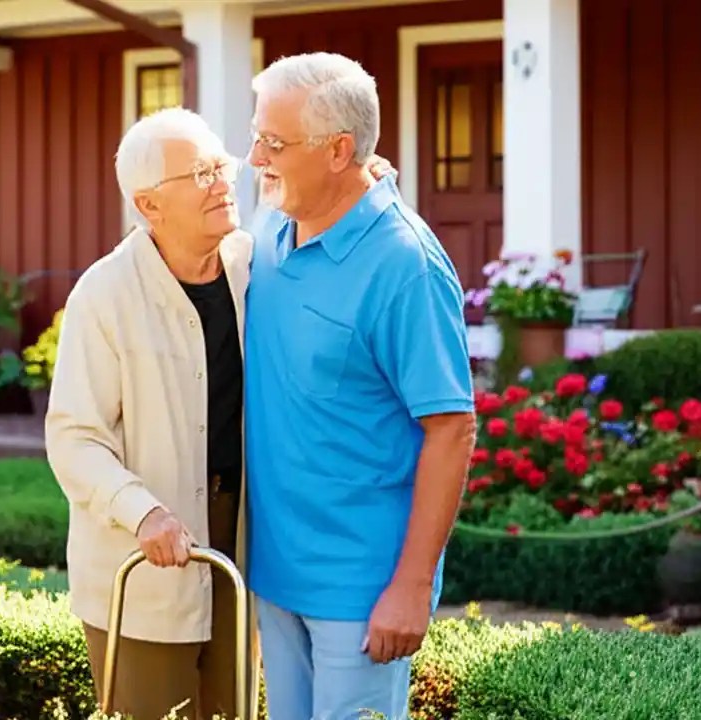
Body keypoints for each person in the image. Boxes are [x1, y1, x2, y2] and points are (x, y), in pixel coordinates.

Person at [242, 52, 478, 720]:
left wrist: (409, 587)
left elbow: (451, 427)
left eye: (274, 142)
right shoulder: (271, 228)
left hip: (361, 592)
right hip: (274, 575)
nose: (256, 157)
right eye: (257, 135)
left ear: (339, 150)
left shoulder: (407, 266)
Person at [44, 106, 257, 720]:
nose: (222, 182)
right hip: (144, 556)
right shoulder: (104, 294)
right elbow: (74, 438)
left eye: (221, 165)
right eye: (199, 173)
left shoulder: (254, 267)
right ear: (148, 205)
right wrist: (144, 513)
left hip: (238, 547)